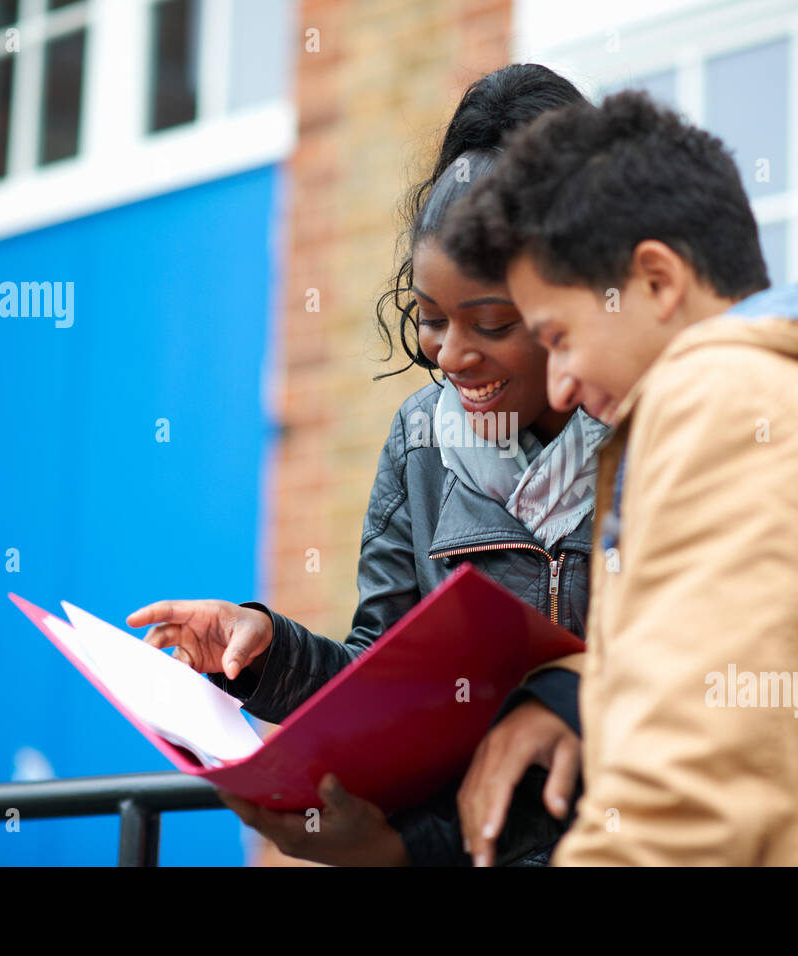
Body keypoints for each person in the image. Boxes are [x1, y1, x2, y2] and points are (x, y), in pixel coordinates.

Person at [439, 90, 798, 865]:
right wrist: (575, 692)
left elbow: (683, 802)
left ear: (658, 281)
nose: (561, 384)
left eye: (560, 337)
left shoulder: (725, 406)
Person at [126, 64, 608, 867]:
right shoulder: (420, 442)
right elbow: (381, 687)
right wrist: (267, 651)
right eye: (427, 318)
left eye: (487, 322)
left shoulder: (656, 428)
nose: (451, 356)